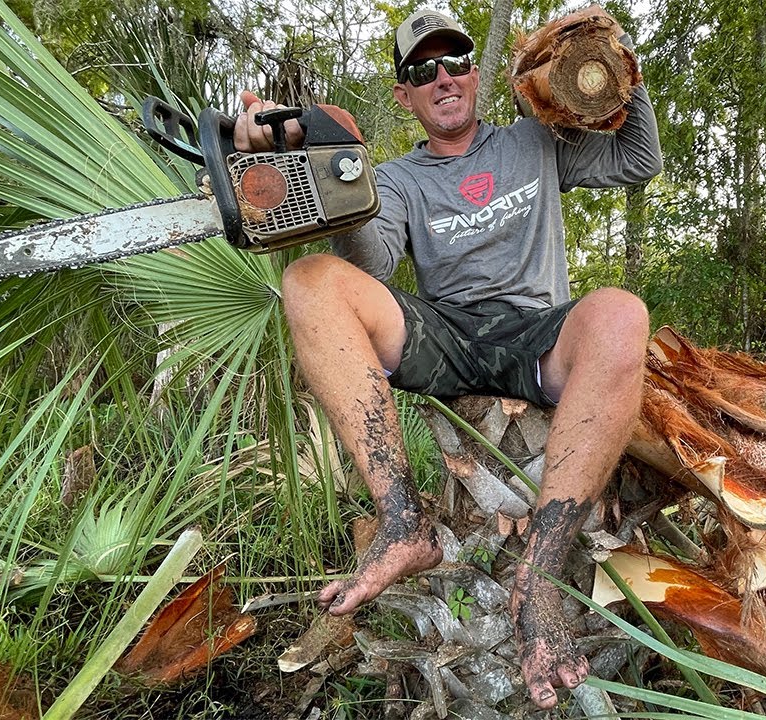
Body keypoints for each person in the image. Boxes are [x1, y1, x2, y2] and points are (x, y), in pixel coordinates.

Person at [233, 6, 662, 710]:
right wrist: (287, 157)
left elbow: (638, 160)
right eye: (420, 70)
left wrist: (618, 59)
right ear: (404, 94)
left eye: (455, 61)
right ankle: (403, 521)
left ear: (476, 74)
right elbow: (368, 261)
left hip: (538, 332)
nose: (443, 77)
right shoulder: (399, 180)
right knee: (309, 281)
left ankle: (539, 577)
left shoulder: (535, 140)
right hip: (446, 334)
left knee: (620, 311)